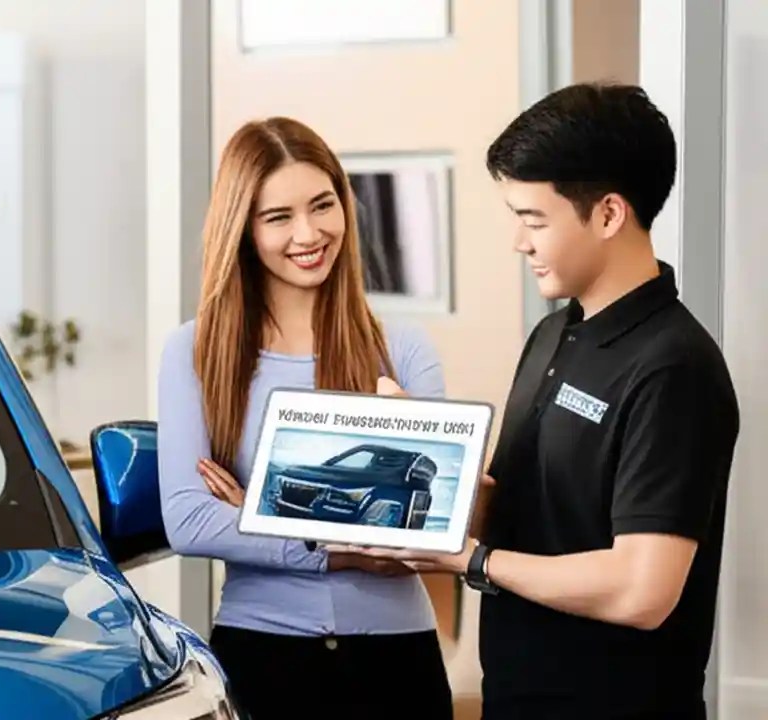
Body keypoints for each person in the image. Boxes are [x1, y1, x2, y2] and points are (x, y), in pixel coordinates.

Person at [347, 83, 740, 719]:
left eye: (534, 220)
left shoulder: (675, 367)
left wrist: (476, 563)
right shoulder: (555, 331)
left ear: (609, 214)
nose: (519, 242)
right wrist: (418, 450)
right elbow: (527, 508)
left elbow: (643, 590)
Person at [155, 116, 454, 719]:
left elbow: (433, 526)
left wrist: (254, 510)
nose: (309, 232)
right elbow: (188, 520)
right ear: (243, 229)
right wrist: (339, 548)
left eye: (323, 205)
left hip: (398, 659)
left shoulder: (403, 349)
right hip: (262, 657)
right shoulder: (195, 351)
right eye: (278, 217)